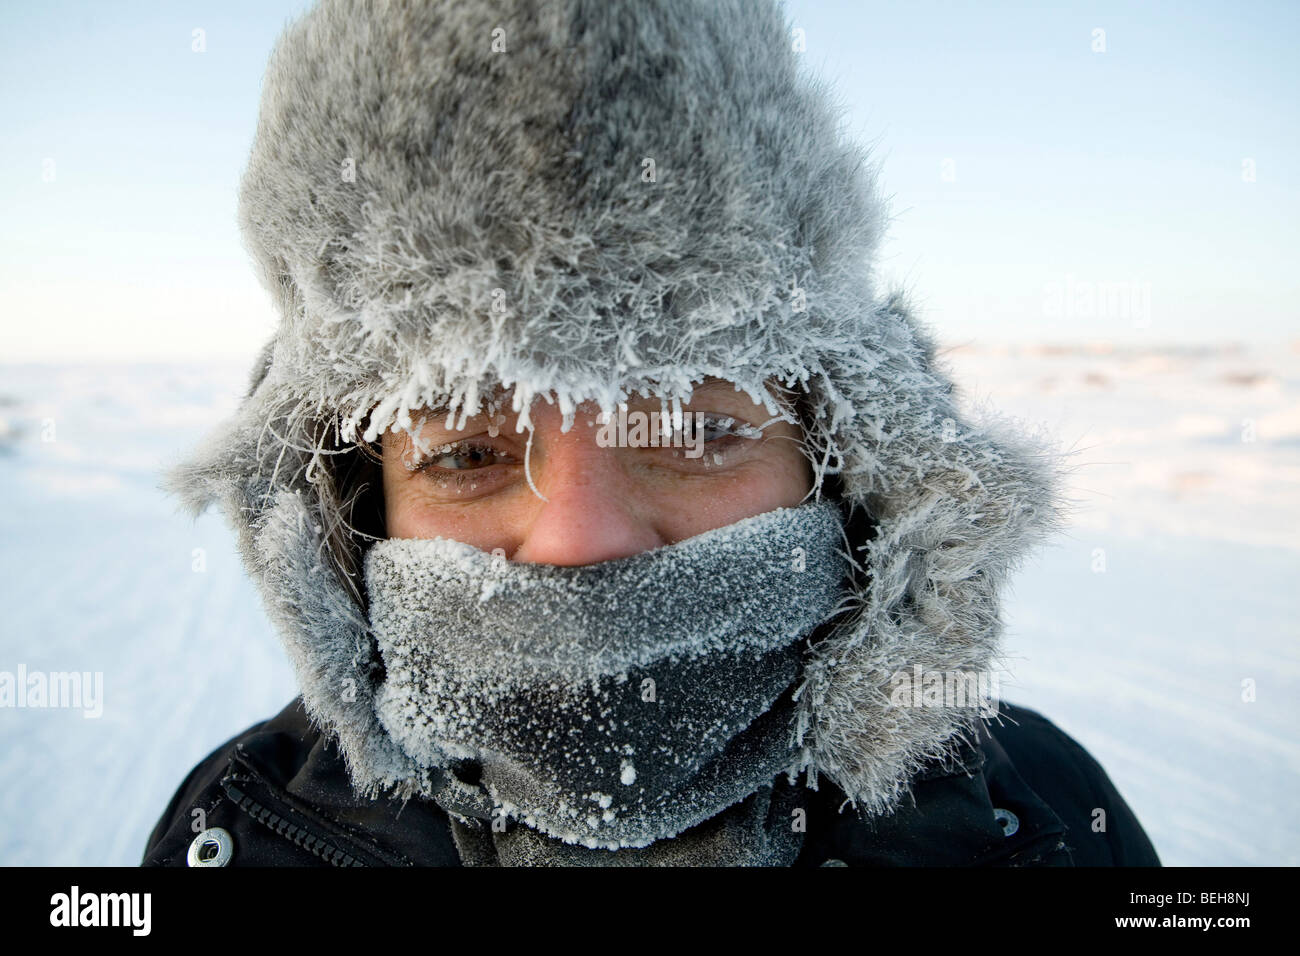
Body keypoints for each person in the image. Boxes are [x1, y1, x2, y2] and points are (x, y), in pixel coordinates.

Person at [142, 0, 1159, 867]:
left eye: (695, 431)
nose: (581, 541)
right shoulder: (237, 831)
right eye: (466, 453)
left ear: (843, 471)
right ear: (355, 511)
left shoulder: (1044, 818)